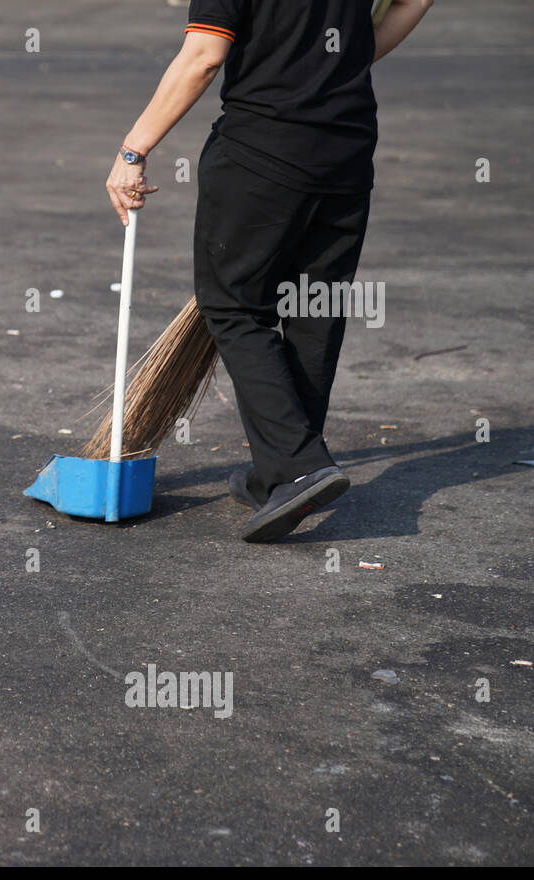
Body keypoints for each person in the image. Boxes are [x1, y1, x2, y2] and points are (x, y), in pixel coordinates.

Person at [105, 0, 434, 541]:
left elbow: (204, 57)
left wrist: (133, 150)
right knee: (313, 308)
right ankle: (278, 474)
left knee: (234, 308)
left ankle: (297, 466)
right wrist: (343, 61)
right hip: (346, 150)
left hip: (262, 152)